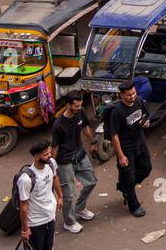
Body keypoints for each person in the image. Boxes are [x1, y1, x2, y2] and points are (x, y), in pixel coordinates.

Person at [18, 139, 69, 250]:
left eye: (49, 152)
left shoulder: (51, 164)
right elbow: (23, 206)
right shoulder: (26, 179)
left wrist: (60, 196)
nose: (49, 155)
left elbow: (55, 178)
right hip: (36, 222)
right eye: (45, 154)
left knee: (48, 249)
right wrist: (25, 229)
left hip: (50, 216)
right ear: (35, 157)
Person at [51, 91, 98, 234]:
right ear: (68, 105)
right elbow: (55, 147)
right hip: (65, 161)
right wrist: (53, 167)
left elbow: (85, 127)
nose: (79, 108)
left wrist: (93, 142)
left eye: (80, 105)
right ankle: (69, 221)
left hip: (80, 154)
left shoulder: (80, 112)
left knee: (91, 182)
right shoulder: (59, 124)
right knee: (68, 194)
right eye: (76, 106)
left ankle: (80, 208)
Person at [107, 83, 152, 218]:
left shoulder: (139, 101)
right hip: (126, 148)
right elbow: (114, 135)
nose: (132, 97)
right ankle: (134, 205)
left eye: (133, 93)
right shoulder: (117, 112)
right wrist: (120, 155)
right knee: (129, 176)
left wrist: (146, 122)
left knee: (146, 168)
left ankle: (125, 186)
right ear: (121, 95)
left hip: (140, 143)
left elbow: (146, 114)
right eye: (129, 95)